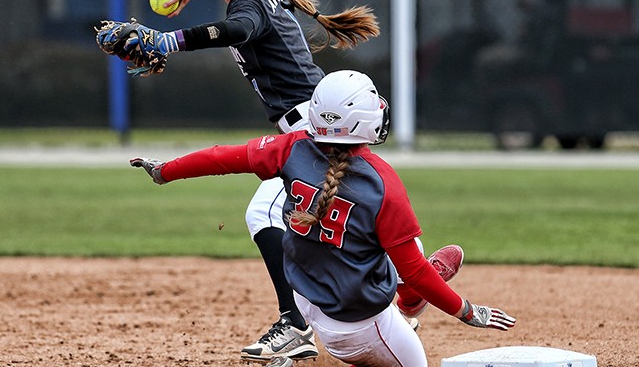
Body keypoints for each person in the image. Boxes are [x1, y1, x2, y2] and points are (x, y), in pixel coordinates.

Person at [95, 0, 382, 362]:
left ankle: (295, 324)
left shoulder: (251, 5)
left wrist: (168, 40)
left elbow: (238, 29)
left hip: (309, 131)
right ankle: (402, 295)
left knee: (264, 213)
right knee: (327, 221)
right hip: (317, 125)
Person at [129, 70, 517, 367]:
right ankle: (407, 305)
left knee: (370, 246)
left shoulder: (291, 148)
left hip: (308, 301)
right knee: (406, 262)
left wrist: (166, 171)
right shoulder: (384, 184)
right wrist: (467, 311)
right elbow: (415, 270)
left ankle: (403, 305)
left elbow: (221, 157)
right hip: (361, 328)